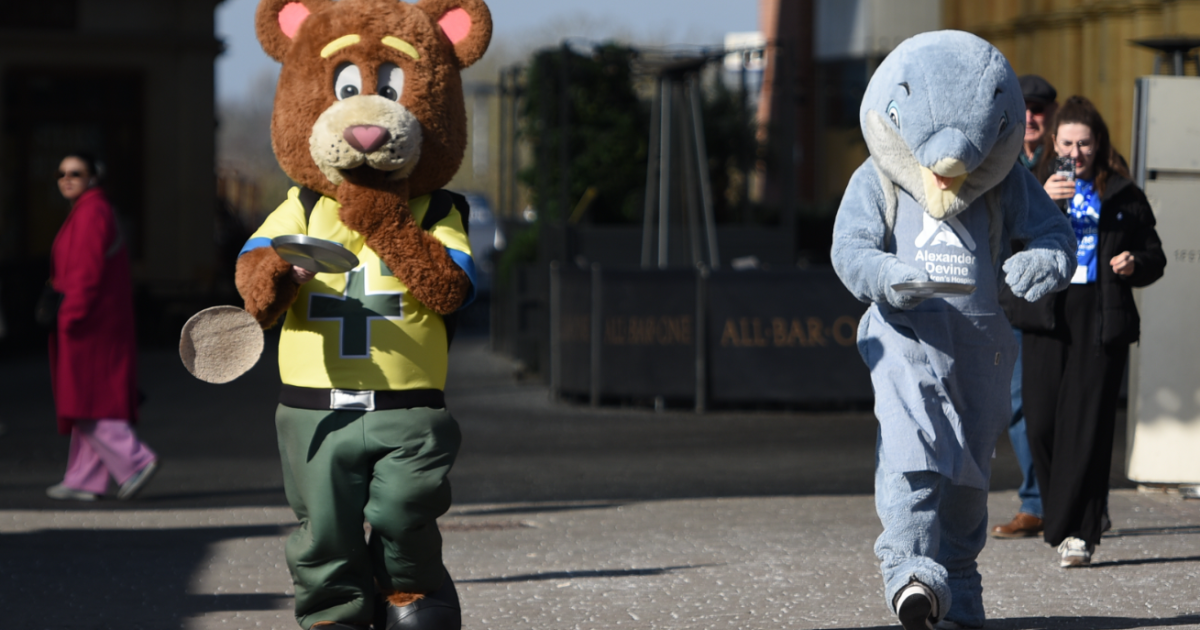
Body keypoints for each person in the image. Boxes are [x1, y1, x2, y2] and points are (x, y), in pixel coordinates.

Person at [1018, 96, 1166, 567]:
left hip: (1100, 316)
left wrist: (1134, 262)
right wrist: (1042, 201)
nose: (1076, 153)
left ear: (1098, 144)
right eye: (1067, 143)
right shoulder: (1031, 188)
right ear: (1052, 144)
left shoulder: (1122, 192)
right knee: (1040, 423)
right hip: (1047, 311)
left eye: (1084, 143)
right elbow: (1005, 243)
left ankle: (1077, 532)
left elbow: (1154, 255)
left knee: (1086, 429)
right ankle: (1065, 516)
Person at [44, 152, 158, 502]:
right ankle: (84, 477)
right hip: (93, 320)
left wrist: (69, 316)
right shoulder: (90, 209)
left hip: (90, 324)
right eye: (61, 173)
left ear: (93, 177)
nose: (66, 178)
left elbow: (85, 274)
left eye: (75, 173)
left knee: (87, 399)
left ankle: (134, 460)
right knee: (88, 396)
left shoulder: (91, 212)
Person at [990, 74, 1057, 539]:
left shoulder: (1073, 159)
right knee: (1016, 404)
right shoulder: (1000, 161)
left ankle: (1073, 499)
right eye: (1026, 109)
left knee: (1064, 407)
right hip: (1015, 307)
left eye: (1040, 110)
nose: (1032, 117)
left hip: (1064, 306)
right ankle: (1035, 502)